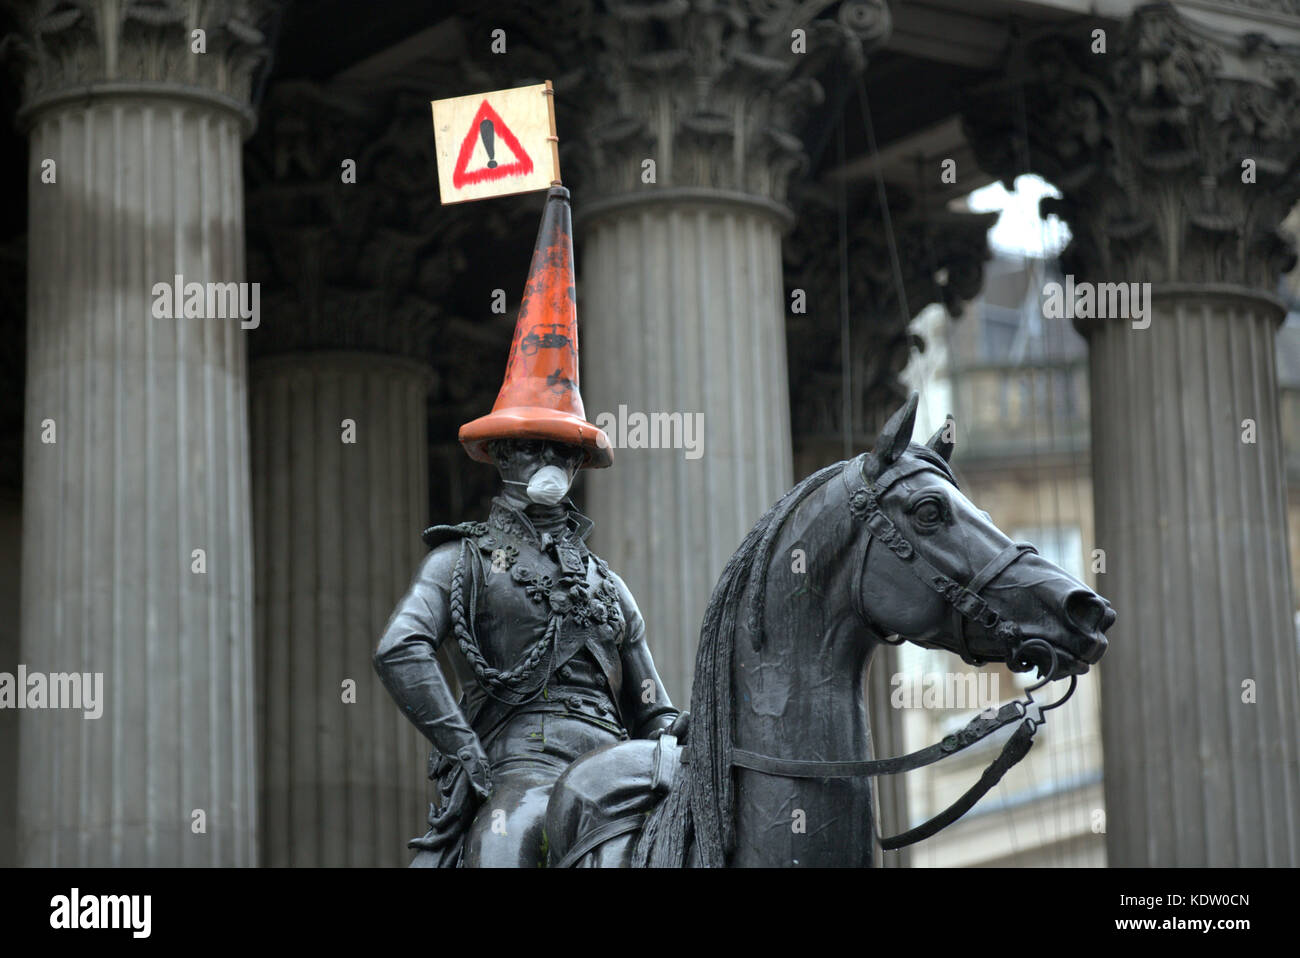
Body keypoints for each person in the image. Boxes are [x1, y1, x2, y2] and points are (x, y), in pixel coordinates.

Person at [373, 186, 682, 866]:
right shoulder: (462, 560)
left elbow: (654, 709)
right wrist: (462, 747)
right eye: (535, 446)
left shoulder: (609, 585)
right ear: (504, 456)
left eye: (563, 450)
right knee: (506, 844)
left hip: (625, 768)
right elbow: (401, 650)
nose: (550, 462)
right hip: (525, 767)